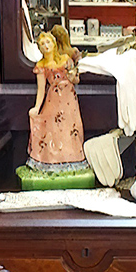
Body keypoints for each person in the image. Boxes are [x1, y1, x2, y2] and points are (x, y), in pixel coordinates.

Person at [27, 31, 87, 170]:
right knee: (53, 129)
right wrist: (37, 107)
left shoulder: (65, 59)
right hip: (53, 99)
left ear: (54, 44)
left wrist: (72, 77)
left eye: (48, 42)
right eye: (42, 44)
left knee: (70, 128)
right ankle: (52, 160)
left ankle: (73, 160)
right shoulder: (41, 66)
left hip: (69, 99)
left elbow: (76, 79)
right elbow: (41, 89)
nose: (46, 46)